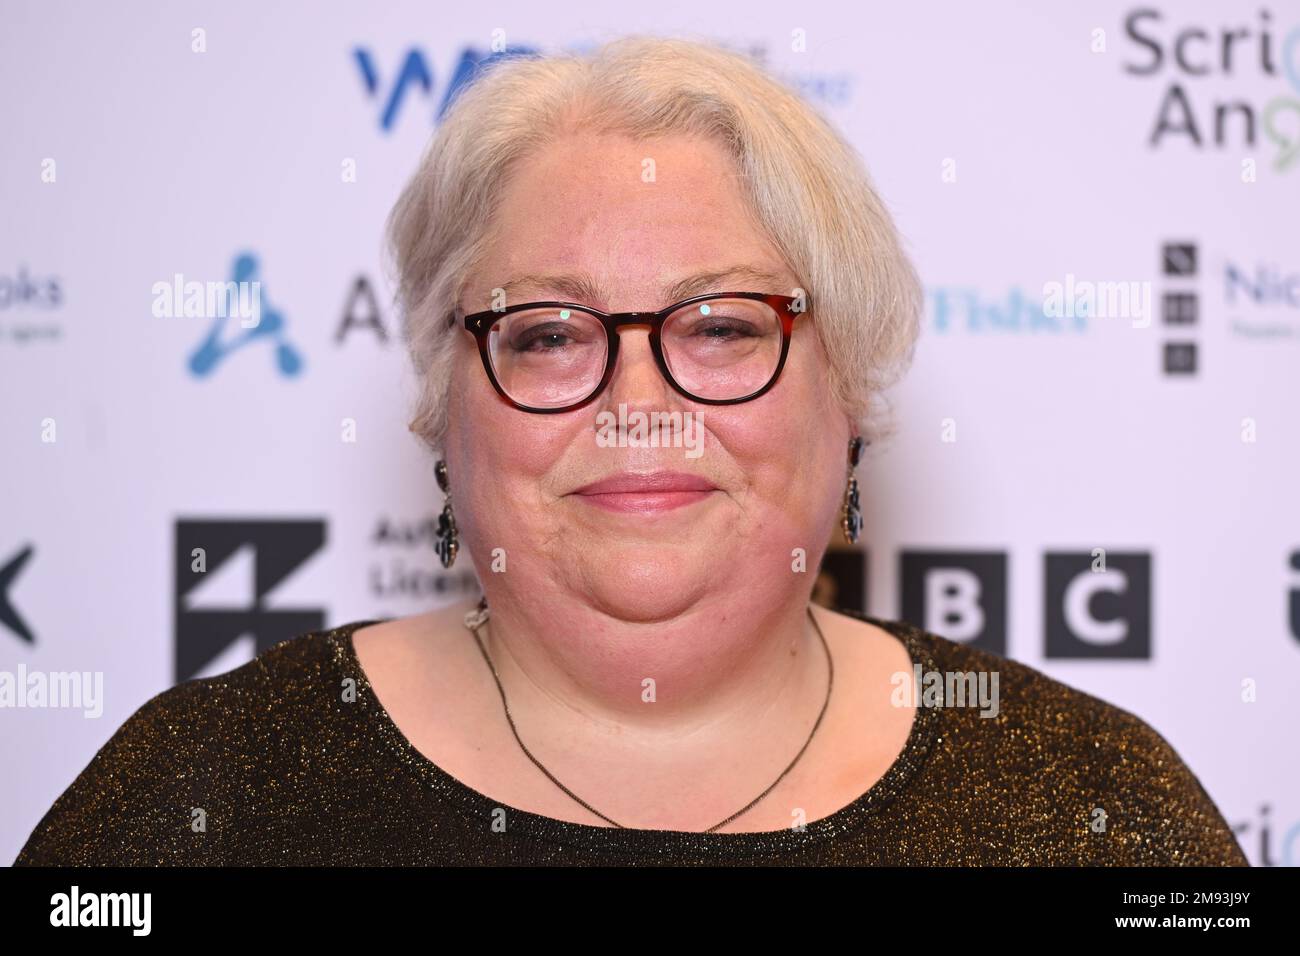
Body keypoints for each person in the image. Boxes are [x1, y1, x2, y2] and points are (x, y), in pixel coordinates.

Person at [14, 35, 1247, 866]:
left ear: (849, 390)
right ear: (448, 405)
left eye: (721, 326)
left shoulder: (1097, 811)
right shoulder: (202, 800)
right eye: (548, 334)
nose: (639, 402)